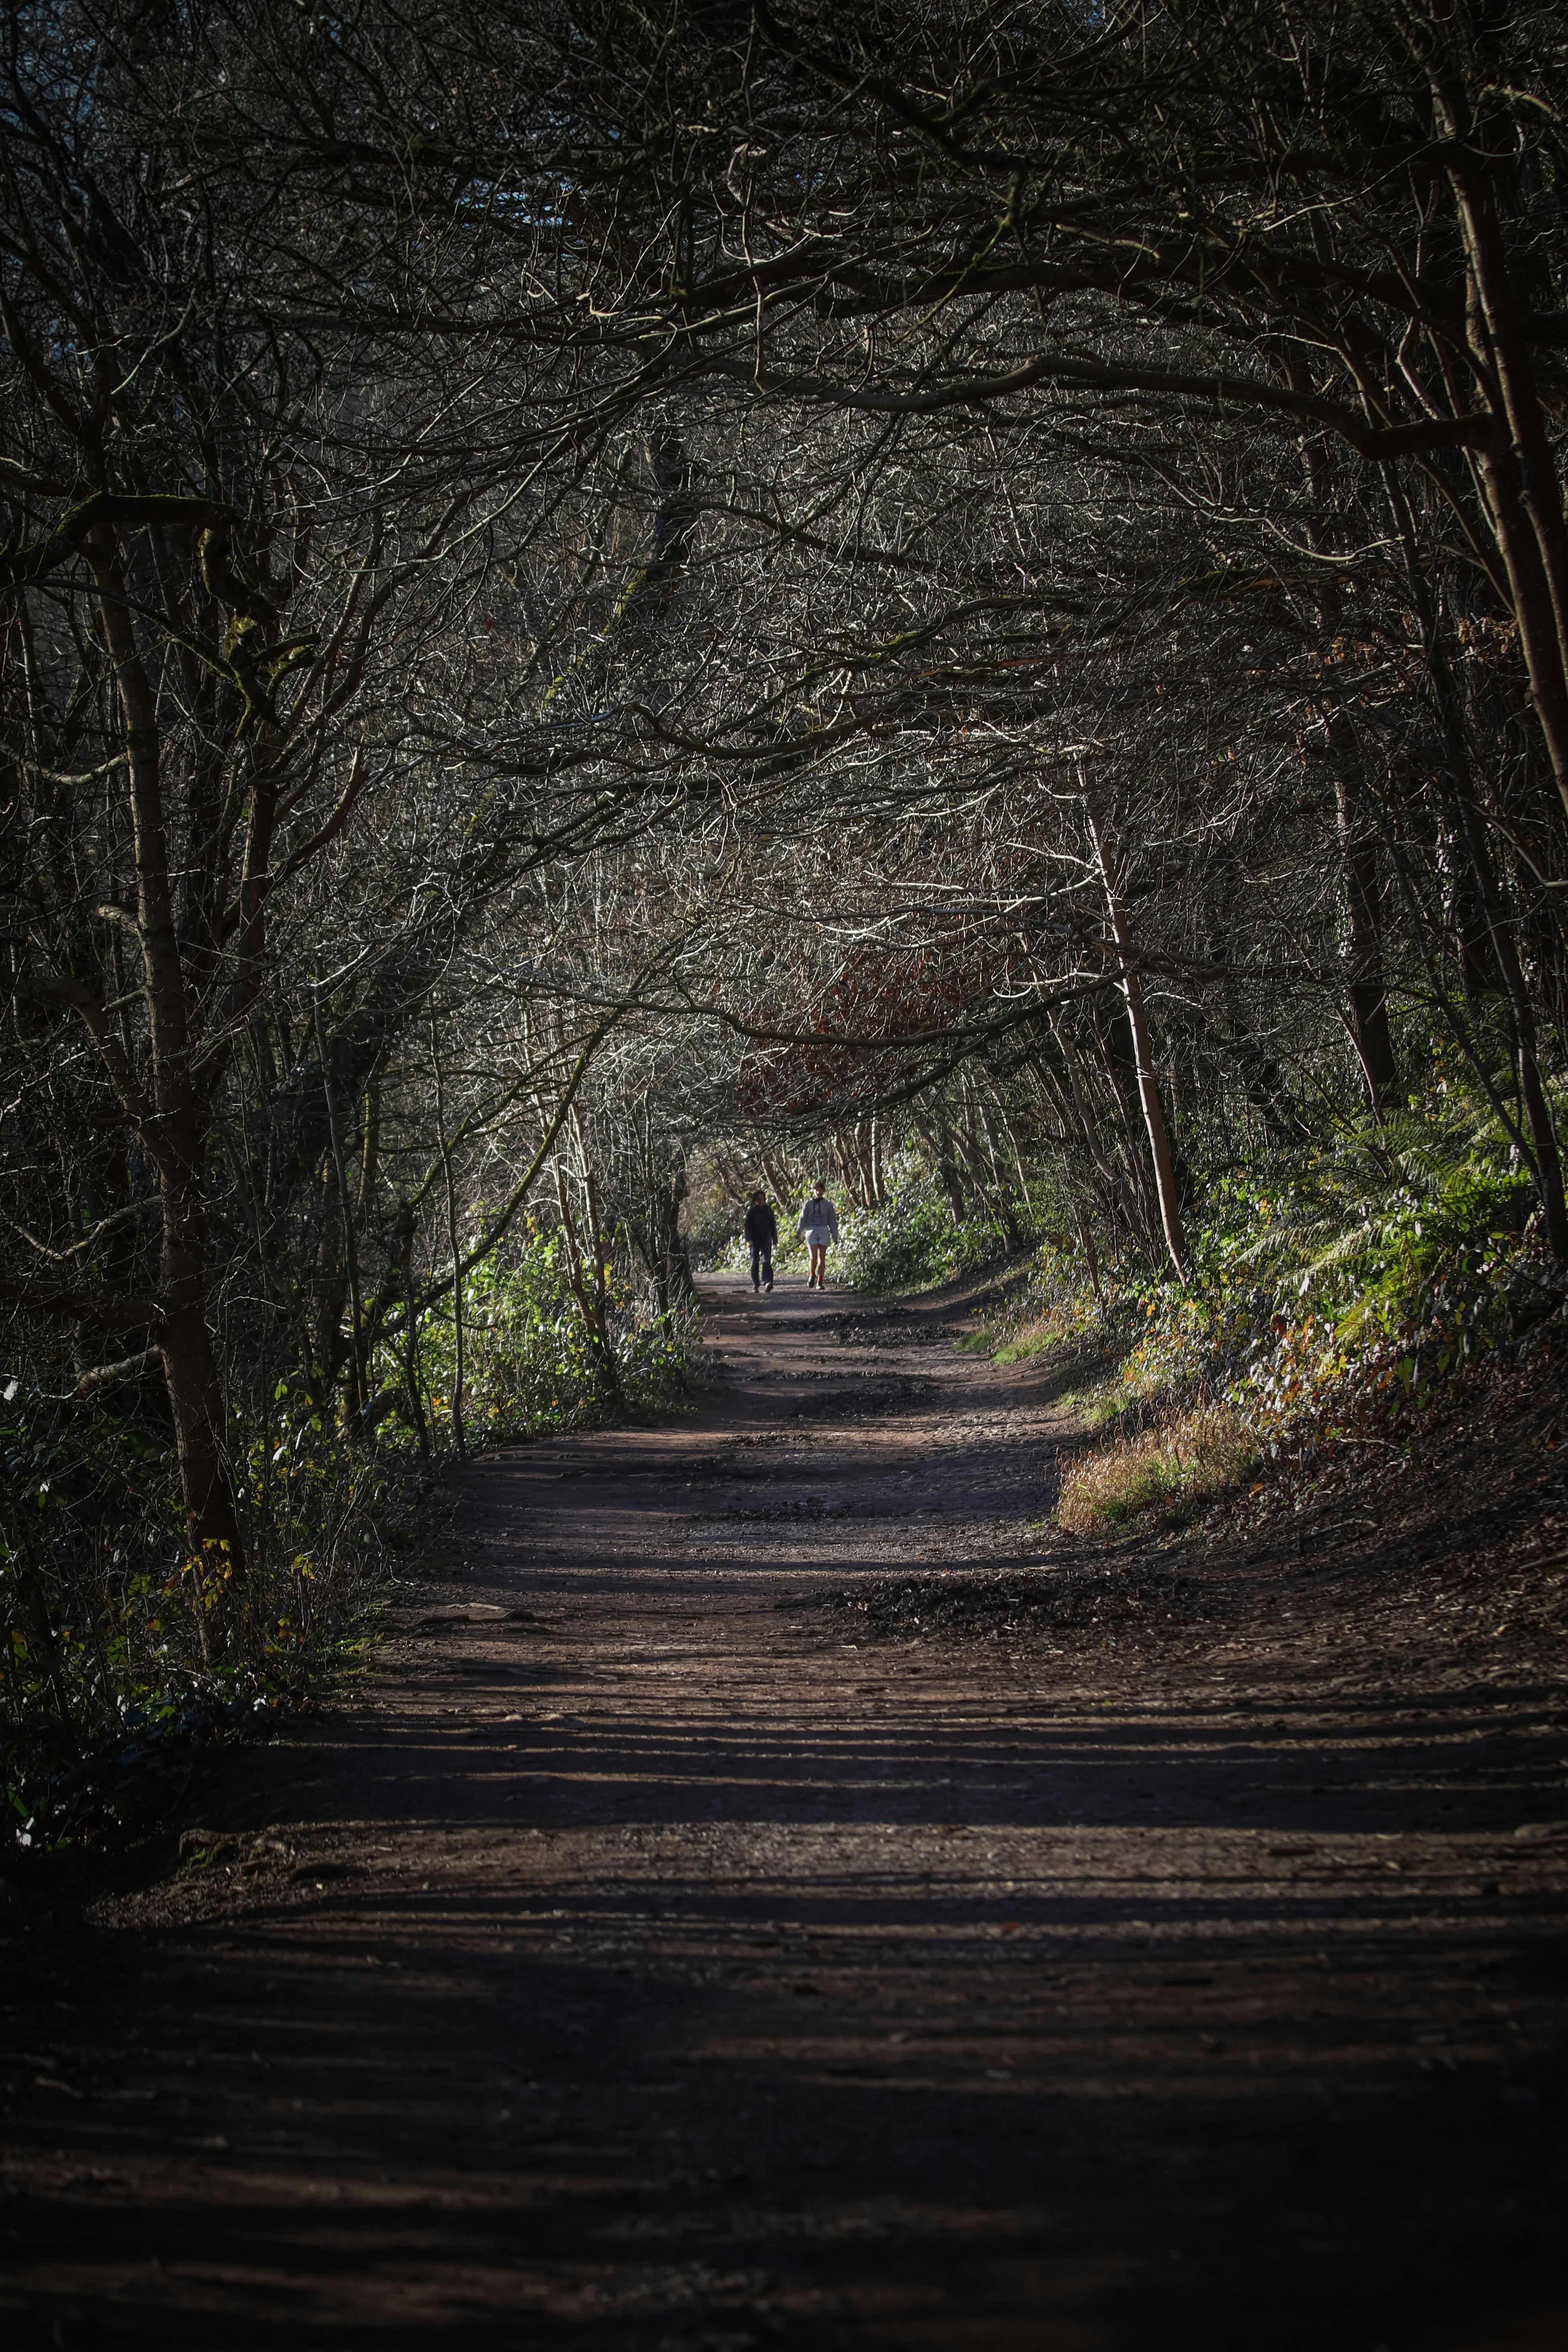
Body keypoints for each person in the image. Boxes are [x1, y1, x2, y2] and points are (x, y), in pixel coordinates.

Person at [796, 1178, 840, 1289]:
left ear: (823, 1191)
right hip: (811, 1231)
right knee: (813, 1256)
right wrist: (799, 1232)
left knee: (822, 1258)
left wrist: (835, 1236)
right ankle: (812, 1275)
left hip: (823, 1230)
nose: (818, 1192)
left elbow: (832, 1221)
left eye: (820, 1190)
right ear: (813, 1191)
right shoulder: (808, 1204)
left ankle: (820, 1282)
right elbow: (803, 1219)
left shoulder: (828, 1205)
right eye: (816, 1190)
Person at [743, 1189, 777, 1292]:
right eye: (759, 1199)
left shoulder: (768, 1210)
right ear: (755, 1201)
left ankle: (767, 1282)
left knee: (766, 1260)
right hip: (754, 1239)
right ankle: (755, 1284)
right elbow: (747, 1227)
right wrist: (749, 1239)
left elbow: (772, 1225)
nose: (761, 1201)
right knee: (754, 1262)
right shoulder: (751, 1212)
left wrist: (774, 1239)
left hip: (766, 1237)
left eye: (763, 1199)